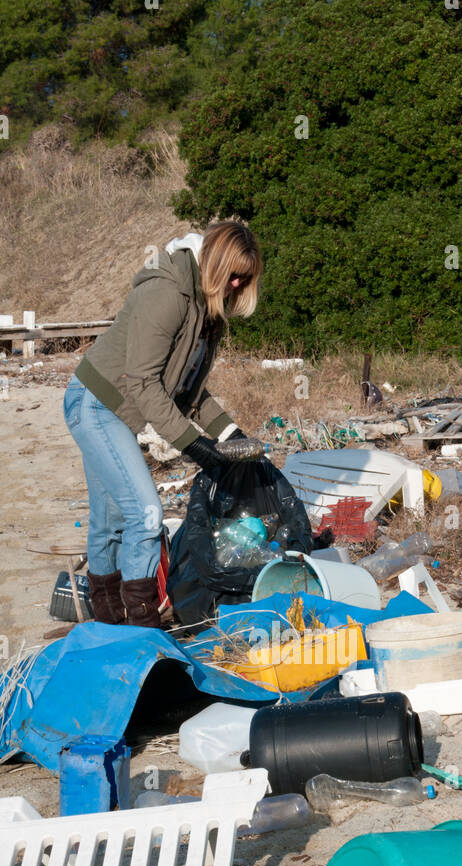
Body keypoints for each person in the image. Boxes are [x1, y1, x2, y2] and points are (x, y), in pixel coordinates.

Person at [62, 220, 262, 626]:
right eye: (236, 276)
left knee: (110, 522)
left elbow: (187, 390)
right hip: (97, 405)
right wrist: (193, 445)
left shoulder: (208, 310)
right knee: (147, 515)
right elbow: (141, 383)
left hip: (118, 412)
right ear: (218, 264)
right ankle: (143, 624)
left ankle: (110, 623)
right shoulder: (167, 293)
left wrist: (227, 433)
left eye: (246, 279)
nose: (239, 286)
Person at [167, 449, 314, 628]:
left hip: (252, 565)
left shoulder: (264, 477)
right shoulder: (214, 499)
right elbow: (207, 562)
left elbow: (296, 528)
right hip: (211, 603)